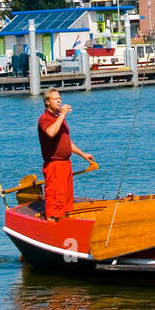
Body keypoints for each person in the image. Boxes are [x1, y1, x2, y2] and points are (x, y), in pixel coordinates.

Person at [37, 87, 94, 220]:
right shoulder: (45, 118)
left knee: (66, 200)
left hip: (65, 164)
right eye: (55, 99)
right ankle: (52, 223)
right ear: (47, 102)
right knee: (56, 198)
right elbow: (51, 132)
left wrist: (82, 154)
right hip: (54, 165)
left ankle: (64, 224)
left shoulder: (58, 119)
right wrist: (62, 114)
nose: (59, 101)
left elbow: (66, 141)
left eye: (59, 98)